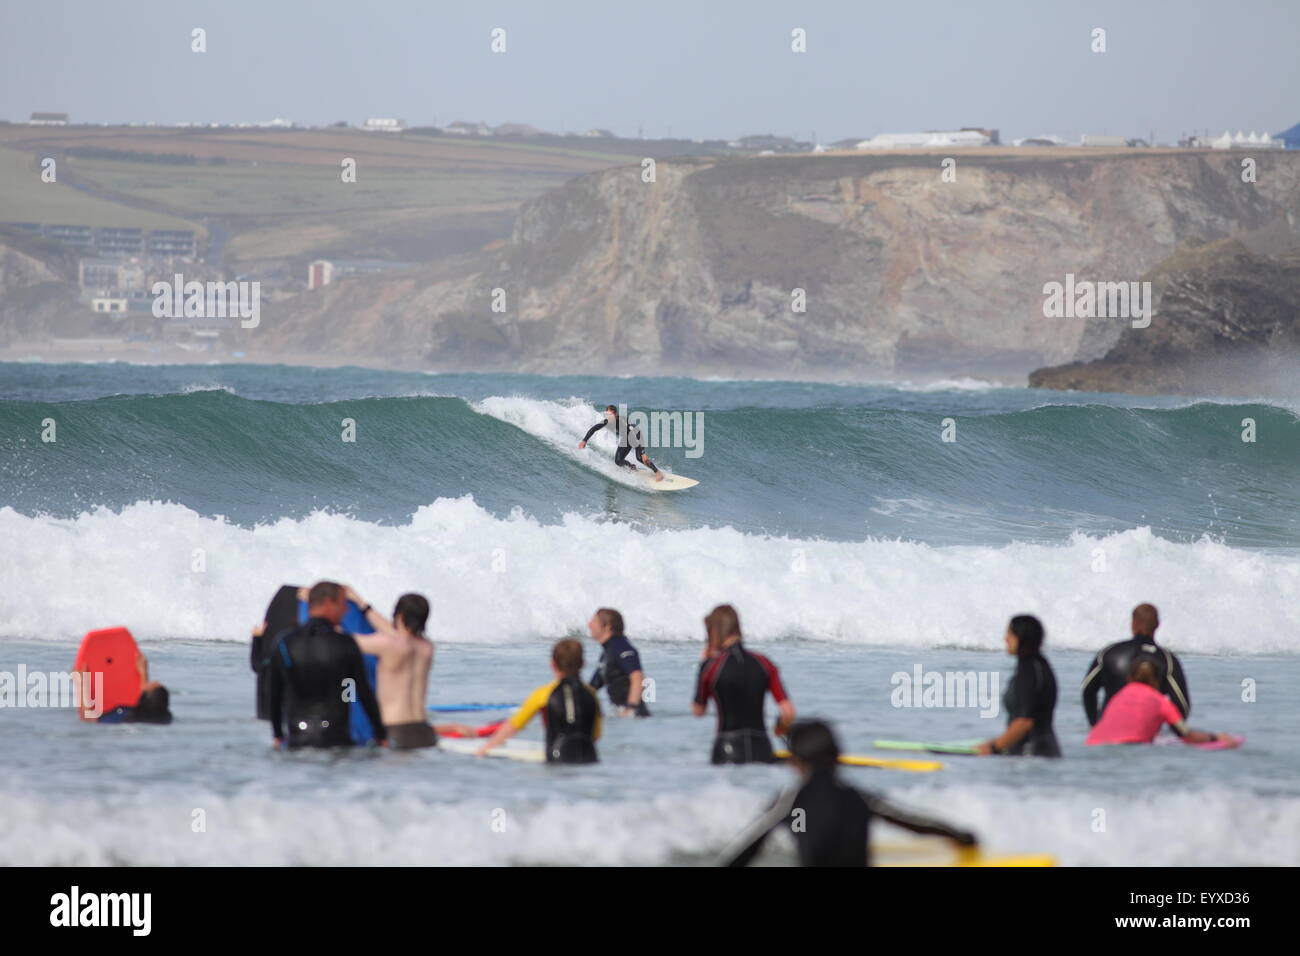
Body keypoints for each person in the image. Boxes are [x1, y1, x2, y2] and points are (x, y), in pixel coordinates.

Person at [720, 720, 978, 867]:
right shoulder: (858, 797)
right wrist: (959, 835)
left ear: (795, 762)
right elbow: (913, 822)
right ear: (837, 757)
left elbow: (748, 846)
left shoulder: (792, 802)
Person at [266, 580, 387, 749]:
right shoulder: (345, 644)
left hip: (297, 738)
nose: (346, 610)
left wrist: (278, 735)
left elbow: (275, 695)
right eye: (343, 604)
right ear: (329, 604)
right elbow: (358, 690)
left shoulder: (284, 643)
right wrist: (381, 734)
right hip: (336, 738)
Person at [693, 604, 795, 764]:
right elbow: (788, 712)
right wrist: (780, 728)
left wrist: (703, 665)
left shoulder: (711, 666)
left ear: (714, 631)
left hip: (727, 749)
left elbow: (698, 710)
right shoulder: (764, 662)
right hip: (762, 748)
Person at [477, 639, 602, 764]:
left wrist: (486, 748)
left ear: (552, 664)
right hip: (590, 758)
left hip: (557, 760)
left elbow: (514, 726)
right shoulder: (592, 694)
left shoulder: (543, 694)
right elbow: (596, 735)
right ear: (583, 664)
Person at [347, 589, 442, 750]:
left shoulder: (388, 644)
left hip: (396, 732)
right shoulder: (427, 648)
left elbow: (340, 639)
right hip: (425, 731)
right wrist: (363, 606)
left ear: (399, 616)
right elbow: (397, 636)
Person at [1086, 658, 1236, 747]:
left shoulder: (1117, 697)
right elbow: (1187, 735)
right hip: (1130, 751)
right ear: (1158, 681)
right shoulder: (1161, 703)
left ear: (1129, 678)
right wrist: (1216, 738)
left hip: (1093, 744)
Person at [1082, 603, 1190, 725]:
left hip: (1110, 731)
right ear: (1157, 625)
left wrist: (1095, 725)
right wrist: (1173, 732)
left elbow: (1087, 690)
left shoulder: (1109, 653)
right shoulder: (1167, 659)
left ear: (1132, 623)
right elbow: (1182, 705)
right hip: (1148, 733)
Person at [977, 614, 1060, 757]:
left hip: (1031, 756)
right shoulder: (1040, 665)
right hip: (1044, 751)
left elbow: (1025, 722)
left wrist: (993, 746)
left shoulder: (1028, 671)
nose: (1005, 639)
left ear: (1021, 637)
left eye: (1009, 633)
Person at [587, 608, 650, 717]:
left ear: (607, 627)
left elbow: (637, 677)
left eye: (594, 622)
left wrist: (631, 708)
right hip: (619, 713)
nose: (589, 624)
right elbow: (592, 688)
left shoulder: (622, 648)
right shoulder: (607, 653)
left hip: (634, 717)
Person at [579, 404, 664, 482]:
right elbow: (594, 428)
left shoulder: (623, 420)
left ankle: (657, 472)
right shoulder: (606, 421)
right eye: (607, 415)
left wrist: (643, 452)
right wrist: (584, 440)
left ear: (615, 414)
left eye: (611, 415)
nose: (609, 417)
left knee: (640, 458)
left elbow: (636, 432)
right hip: (626, 439)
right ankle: (632, 467)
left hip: (636, 436)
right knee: (618, 461)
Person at [99, 651, 172, 725]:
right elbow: (143, 699)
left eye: (154, 685)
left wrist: (87, 678)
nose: (157, 681)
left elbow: (90, 717)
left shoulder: (119, 715)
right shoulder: (165, 718)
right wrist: (143, 673)